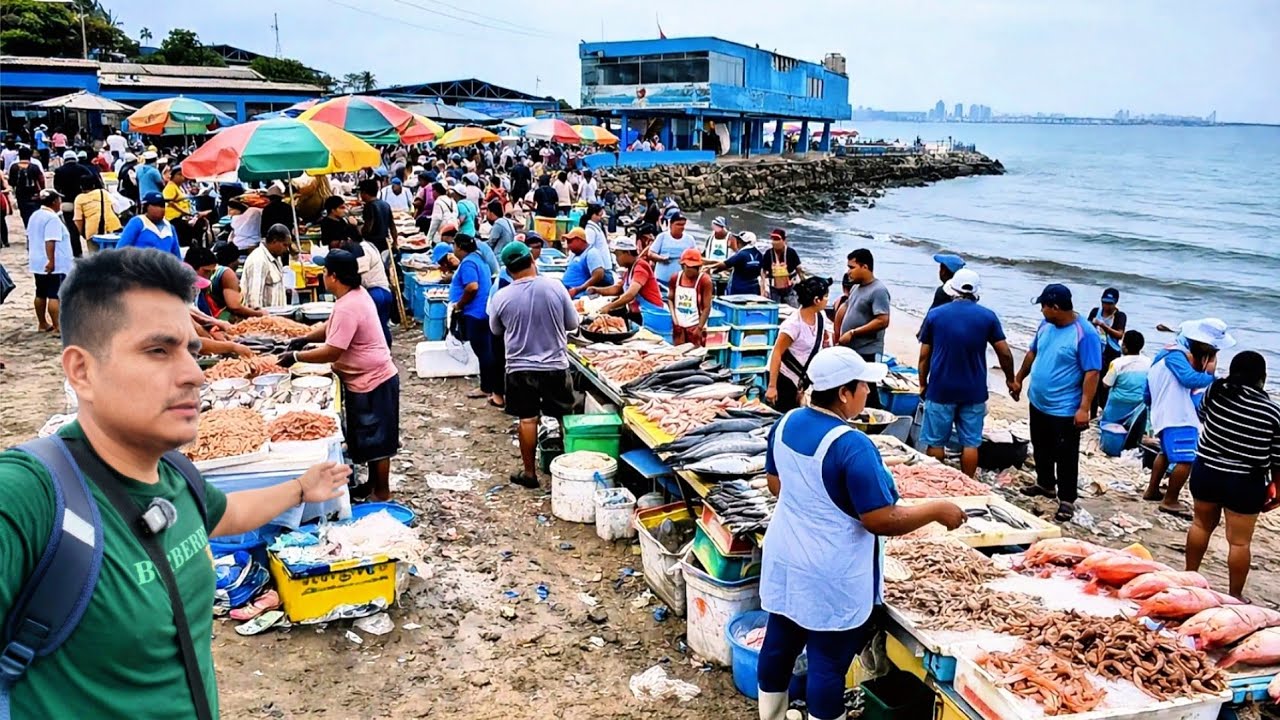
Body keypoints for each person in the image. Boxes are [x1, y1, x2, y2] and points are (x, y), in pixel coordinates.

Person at [0, 248, 350, 719]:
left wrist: (301, 490)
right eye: (158, 351)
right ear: (82, 371)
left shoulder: (174, 472)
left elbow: (225, 514)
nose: (193, 376)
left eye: (192, 352)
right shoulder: (29, 495)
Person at [756, 347, 965, 720]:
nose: (869, 391)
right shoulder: (851, 445)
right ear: (843, 393)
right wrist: (938, 510)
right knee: (827, 662)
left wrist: (814, 503)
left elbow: (776, 485)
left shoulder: (786, 422)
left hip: (786, 557)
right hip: (830, 572)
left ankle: (770, 715)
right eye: (864, 385)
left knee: (779, 645)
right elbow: (881, 520)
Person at [275, 249, 398, 501]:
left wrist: (296, 357)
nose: (323, 276)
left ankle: (382, 492)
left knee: (378, 441)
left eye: (324, 271)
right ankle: (371, 486)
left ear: (333, 276)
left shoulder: (349, 305)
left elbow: (332, 351)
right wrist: (304, 338)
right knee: (369, 438)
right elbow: (331, 327)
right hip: (364, 379)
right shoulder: (354, 295)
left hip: (374, 379)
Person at [1184, 351, 1280, 599]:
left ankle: (1188, 579)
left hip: (1207, 471)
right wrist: (1277, 489)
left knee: (1200, 525)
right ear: (1262, 378)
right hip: (1245, 482)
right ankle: (1235, 595)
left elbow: (1202, 416)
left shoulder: (1216, 392)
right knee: (1239, 542)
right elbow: (1277, 459)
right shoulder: (1272, 413)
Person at [489, 242, 579, 488]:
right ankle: (570, 472)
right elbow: (572, 323)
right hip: (555, 365)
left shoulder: (501, 296)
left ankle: (530, 474)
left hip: (519, 368)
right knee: (564, 417)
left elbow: (496, 330)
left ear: (508, 271)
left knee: (527, 420)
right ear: (532, 259)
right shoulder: (555, 287)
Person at [1013, 284, 1102, 522]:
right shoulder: (1045, 325)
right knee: (1040, 445)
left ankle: (1066, 499)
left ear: (1054, 307)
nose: (1041, 310)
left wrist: (1084, 408)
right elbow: (1032, 352)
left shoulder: (1085, 334)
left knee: (1065, 454)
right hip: (1038, 401)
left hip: (1064, 408)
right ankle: (1045, 484)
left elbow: (1092, 372)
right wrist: (1019, 378)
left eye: (1043, 306)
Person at [917, 269, 1018, 477]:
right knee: (970, 443)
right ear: (976, 292)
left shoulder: (935, 315)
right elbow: (1005, 353)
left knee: (936, 442)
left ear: (952, 290)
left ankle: (935, 481)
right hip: (974, 389)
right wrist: (1011, 380)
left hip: (941, 388)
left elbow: (924, 356)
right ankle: (968, 482)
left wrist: (923, 383)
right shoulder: (988, 317)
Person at [1144, 318, 1233, 518]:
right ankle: (1170, 500)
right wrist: (1213, 377)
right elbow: (1190, 380)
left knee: (1165, 453)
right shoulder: (1176, 357)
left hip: (1164, 413)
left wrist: (1150, 403)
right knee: (1186, 460)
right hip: (1178, 415)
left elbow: (1148, 384)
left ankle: (1152, 490)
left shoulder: (1166, 353)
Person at [449, 234, 502, 408]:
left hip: (475, 312)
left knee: (483, 351)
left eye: (454, 245)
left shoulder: (469, 263)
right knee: (486, 349)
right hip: (483, 310)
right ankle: (491, 386)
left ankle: (487, 387)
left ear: (459, 247)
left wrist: (460, 304)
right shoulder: (479, 259)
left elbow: (472, 286)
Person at [765, 276, 831, 413]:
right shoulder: (793, 325)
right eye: (825, 296)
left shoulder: (821, 316)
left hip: (802, 378)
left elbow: (822, 340)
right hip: (784, 377)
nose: (827, 300)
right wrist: (772, 387)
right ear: (816, 300)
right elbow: (777, 352)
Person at [836, 249, 891, 408]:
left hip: (868, 350)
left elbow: (882, 320)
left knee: (868, 389)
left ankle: (876, 417)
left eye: (852, 267)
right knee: (853, 387)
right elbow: (846, 308)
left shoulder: (878, 290)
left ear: (865, 267)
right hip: (852, 349)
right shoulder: (855, 288)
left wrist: (853, 333)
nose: (848, 272)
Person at [26, 190, 73, 333]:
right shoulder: (52, 218)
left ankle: (42, 323)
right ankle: (58, 326)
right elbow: (50, 241)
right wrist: (51, 261)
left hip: (37, 261)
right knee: (54, 294)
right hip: (52, 263)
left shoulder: (35, 215)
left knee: (40, 293)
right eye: (59, 200)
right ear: (54, 202)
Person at [590, 236, 664, 324]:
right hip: (640, 314)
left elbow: (630, 294)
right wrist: (597, 290)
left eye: (618, 255)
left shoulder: (640, 267)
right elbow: (618, 289)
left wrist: (610, 306)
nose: (616, 259)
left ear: (628, 252)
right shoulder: (629, 270)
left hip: (652, 315)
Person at [1100, 330, 1151, 437]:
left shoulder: (1117, 363)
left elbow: (1106, 384)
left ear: (1124, 346)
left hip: (1118, 402)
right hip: (1139, 402)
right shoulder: (1148, 362)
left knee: (1109, 424)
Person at [198, 242, 263, 321]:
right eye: (237, 259)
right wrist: (258, 314)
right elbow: (234, 306)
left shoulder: (213, 272)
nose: (239, 262)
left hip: (211, 317)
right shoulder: (226, 273)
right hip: (225, 320)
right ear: (233, 261)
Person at [1088, 288, 1127, 417]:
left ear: (1115, 303)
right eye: (1104, 302)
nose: (1106, 306)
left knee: (1105, 385)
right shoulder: (1095, 312)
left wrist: (1103, 326)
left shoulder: (1120, 316)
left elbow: (1119, 334)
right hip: (1095, 351)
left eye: (1110, 303)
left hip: (1110, 353)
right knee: (1092, 381)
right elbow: (1087, 328)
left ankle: (1105, 413)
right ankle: (1093, 414)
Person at [668, 248, 713, 347]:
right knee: (678, 352)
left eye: (694, 267)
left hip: (695, 326)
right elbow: (670, 300)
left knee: (695, 352)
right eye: (688, 267)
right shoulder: (675, 278)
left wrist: (699, 328)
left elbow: (707, 307)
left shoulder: (704, 281)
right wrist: (675, 321)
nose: (690, 270)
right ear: (683, 266)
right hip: (679, 326)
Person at [53, 150, 94, 257]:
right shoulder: (83, 169)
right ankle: (92, 252)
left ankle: (77, 254)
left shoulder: (59, 171)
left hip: (68, 204)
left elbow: (56, 188)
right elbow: (92, 182)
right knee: (88, 228)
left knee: (73, 231)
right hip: (85, 203)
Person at [241, 224, 292, 310]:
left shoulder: (276, 257)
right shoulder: (259, 260)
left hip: (277, 314)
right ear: (274, 241)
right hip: (265, 316)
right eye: (285, 245)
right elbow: (254, 300)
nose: (287, 249)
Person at [116, 193, 181, 259]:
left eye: (162, 205)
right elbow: (121, 250)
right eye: (156, 205)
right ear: (146, 207)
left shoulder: (170, 227)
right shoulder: (137, 222)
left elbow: (176, 256)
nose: (161, 209)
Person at [162, 167, 209, 248]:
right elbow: (169, 201)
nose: (182, 177)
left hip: (183, 216)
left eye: (183, 175)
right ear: (173, 176)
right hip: (174, 218)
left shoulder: (179, 187)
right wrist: (183, 211)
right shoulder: (170, 186)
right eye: (179, 175)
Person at [560, 227, 612, 298]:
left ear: (579, 240)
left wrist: (577, 290)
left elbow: (599, 275)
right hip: (567, 291)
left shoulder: (591, 252)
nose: (568, 245)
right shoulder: (576, 254)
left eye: (570, 241)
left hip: (579, 295)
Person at [647, 213, 695, 286]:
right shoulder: (662, 237)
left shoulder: (689, 239)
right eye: (678, 224)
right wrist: (661, 258)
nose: (681, 227)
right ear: (671, 225)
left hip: (681, 281)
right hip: (661, 279)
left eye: (683, 225)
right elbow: (650, 253)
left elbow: (696, 257)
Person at [73, 174, 121, 246]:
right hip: (113, 226)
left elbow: (78, 220)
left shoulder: (79, 199)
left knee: (94, 252)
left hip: (93, 230)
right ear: (93, 185)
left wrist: (82, 233)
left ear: (80, 186)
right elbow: (115, 207)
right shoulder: (103, 192)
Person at [714, 231, 764, 296]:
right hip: (754, 290)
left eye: (739, 241)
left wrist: (711, 269)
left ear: (744, 242)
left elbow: (724, 265)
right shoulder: (759, 254)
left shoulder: (741, 254)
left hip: (738, 290)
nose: (737, 243)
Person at [762, 229, 803, 306]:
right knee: (775, 308)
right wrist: (763, 289)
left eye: (777, 239)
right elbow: (763, 272)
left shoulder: (791, 252)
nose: (775, 242)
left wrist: (804, 283)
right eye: (773, 239)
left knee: (793, 309)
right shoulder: (768, 254)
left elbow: (799, 269)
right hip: (774, 288)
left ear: (784, 240)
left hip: (790, 288)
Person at [8, 146, 45, 227]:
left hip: (21, 196)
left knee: (25, 216)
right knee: (35, 216)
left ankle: (28, 230)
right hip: (34, 196)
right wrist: (42, 192)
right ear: (29, 156)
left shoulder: (14, 167)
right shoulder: (35, 167)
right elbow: (41, 181)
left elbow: (11, 182)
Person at [358, 180, 396, 254]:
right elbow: (392, 225)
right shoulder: (385, 204)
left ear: (364, 193)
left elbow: (368, 228)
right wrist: (395, 241)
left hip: (372, 244)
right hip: (384, 243)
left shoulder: (369, 206)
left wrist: (357, 228)